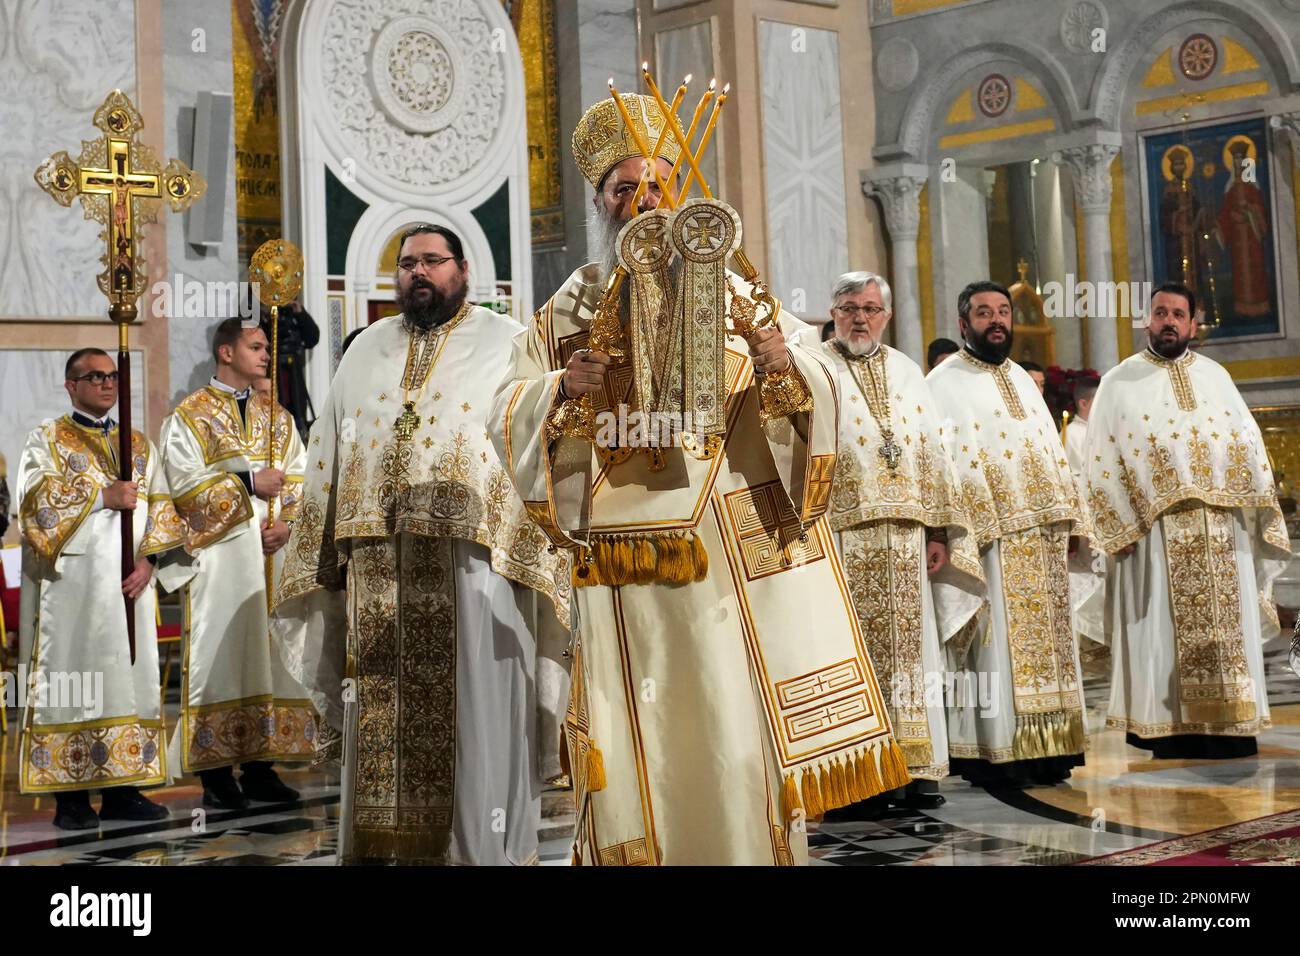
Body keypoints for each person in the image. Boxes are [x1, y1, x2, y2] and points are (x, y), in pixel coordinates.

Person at [489, 91, 911, 865]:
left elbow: (819, 387)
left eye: (657, 186)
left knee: (735, 727)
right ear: (599, 203)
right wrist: (560, 392)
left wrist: (785, 363)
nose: (644, 204)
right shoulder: (567, 310)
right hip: (618, 576)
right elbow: (507, 409)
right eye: (625, 190)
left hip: (729, 565)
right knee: (636, 733)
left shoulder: (742, 294)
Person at [272, 224, 572, 865]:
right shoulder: (365, 348)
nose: (417, 273)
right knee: (380, 714)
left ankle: (480, 852)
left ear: (463, 269)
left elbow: (536, 436)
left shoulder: (510, 342)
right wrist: (320, 545)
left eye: (432, 261)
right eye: (406, 263)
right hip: (379, 562)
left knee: (479, 713)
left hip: (477, 565)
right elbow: (329, 446)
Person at [1082, 281, 1289, 759]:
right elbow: (1101, 460)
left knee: (1226, 629)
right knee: (1160, 629)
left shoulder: (1217, 377)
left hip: (1223, 533)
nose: (1168, 321)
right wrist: (1115, 529)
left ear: (1193, 324)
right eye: (1160, 313)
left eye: (1178, 314)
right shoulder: (1119, 381)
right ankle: (1166, 728)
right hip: (1153, 534)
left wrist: (1257, 513)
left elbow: (1248, 448)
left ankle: (1231, 725)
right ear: (1147, 320)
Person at [822, 272, 985, 814]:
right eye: (849, 307)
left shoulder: (909, 371)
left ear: (886, 316)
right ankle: (856, 780)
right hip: (839, 537)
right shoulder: (814, 367)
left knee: (914, 656)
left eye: (870, 308)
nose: (859, 317)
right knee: (848, 655)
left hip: (909, 541)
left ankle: (915, 769)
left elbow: (934, 451)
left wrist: (939, 531)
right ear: (833, 312)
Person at [15, 349, 185, 829]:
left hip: (130, 586)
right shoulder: (46, 440)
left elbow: (163, 506)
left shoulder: (138, 443)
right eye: (95, 376)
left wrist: (149, 560)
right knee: (76, 681)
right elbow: (34, 508)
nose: (107, 384)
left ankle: (123, 789)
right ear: (71, 385)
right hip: (76, 592)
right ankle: (70, 798)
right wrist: (101, 497)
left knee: (126, 682)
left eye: (112, 376)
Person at [927, 281, 1087, 787]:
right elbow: (939, 463)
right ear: (963, 322)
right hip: (989, 540)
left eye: (1002, 312)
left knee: (1051, 652)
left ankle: (1052, 750)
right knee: (995, 651)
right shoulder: (942, 382)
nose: (996, 321)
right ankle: (994, 749)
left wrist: (1074, 521)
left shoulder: (1020, 377)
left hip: (1041, 539)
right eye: (983, 313)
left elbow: (1051, 456)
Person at [158, 320, 313, 809]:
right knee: (221, 659)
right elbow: (181, 486)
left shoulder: (278, 417)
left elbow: (302, 477)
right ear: (226, 352)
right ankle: (216, 771)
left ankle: (262, 766)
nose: (267, 354)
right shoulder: (190, 417)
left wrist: (287, 520)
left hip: (271, 555)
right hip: (222, 563)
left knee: (268, 660)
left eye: (267, 347)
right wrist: (248, 484)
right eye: (256, 346)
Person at [260, 300, 320, 438]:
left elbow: (312, 338)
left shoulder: (290, 311)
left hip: (294, 376)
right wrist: (263, 314)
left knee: (297, 424)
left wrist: (300, 313)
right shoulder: (252, 307)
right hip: (267, 375)